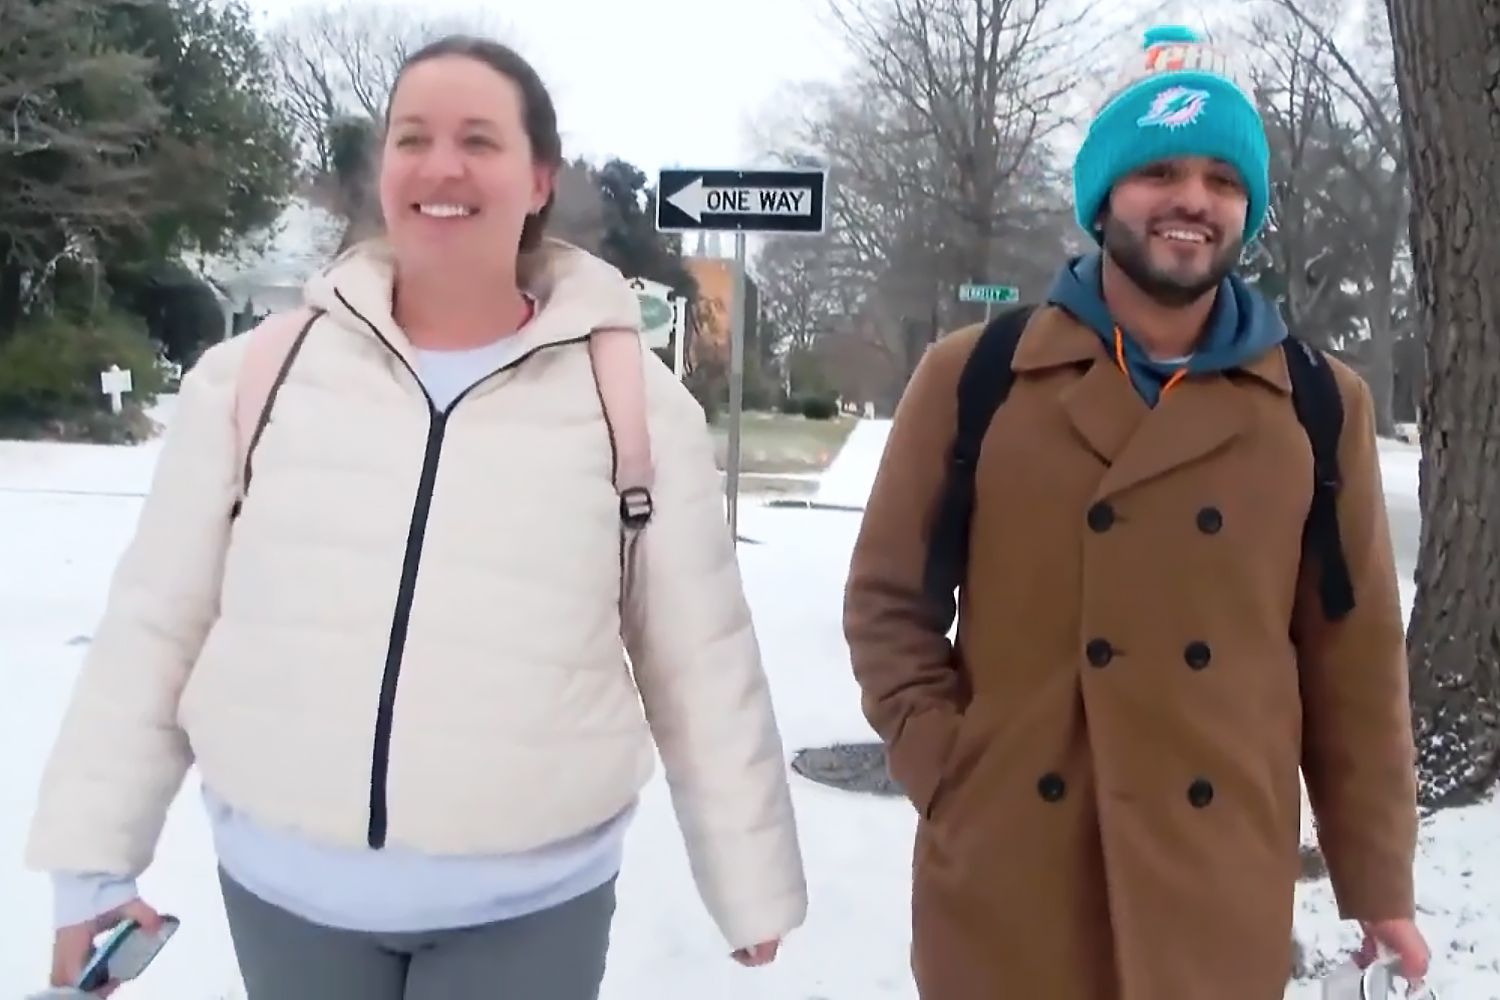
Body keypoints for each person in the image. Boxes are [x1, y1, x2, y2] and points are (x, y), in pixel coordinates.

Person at [27, 34, 806, 1000]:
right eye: (413, 138)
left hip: (531, 904)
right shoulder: (256, 377)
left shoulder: (633, 404)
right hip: (288, 896)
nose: (442, 167)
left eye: (479, 140)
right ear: (383, 169)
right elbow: (155, 623)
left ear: (537, 179)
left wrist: (750, 878)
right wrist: (94, 869)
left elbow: (702, 659)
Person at [842, 24, 1428, 1000]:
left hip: (1216, 887)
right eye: (1159, 170)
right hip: (1012, 876)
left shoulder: (1322, 404)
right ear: (1104, 194)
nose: (1193, 199)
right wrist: (948, 766)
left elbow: (1353, 659)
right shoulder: (977, 375)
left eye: (1223, 179)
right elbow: (886, 603)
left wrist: (1378, 883)